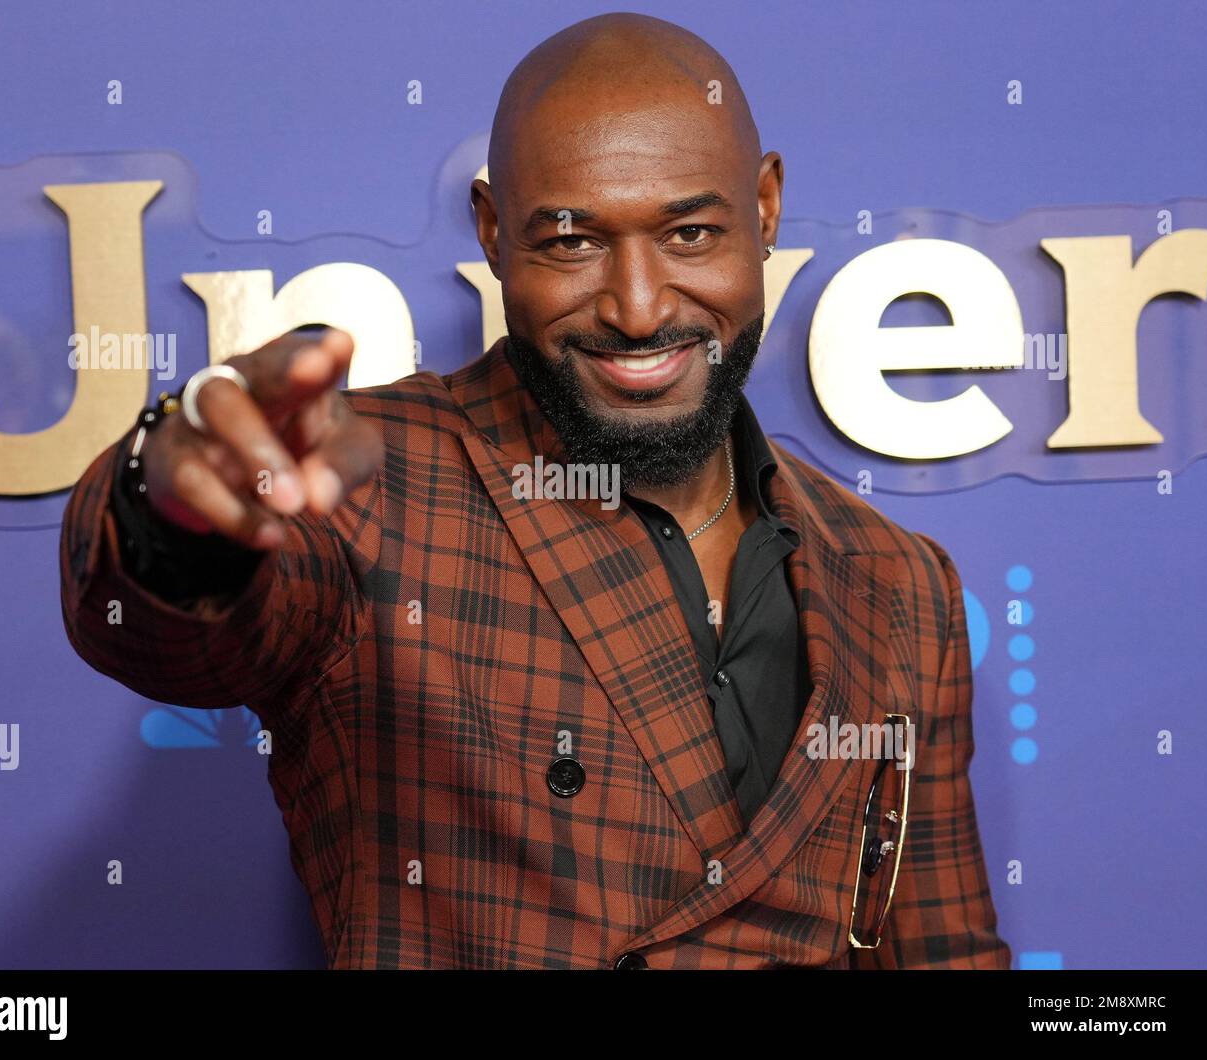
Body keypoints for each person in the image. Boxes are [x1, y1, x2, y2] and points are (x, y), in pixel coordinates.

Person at [60, 12, 1010, 969]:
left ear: (763, 209)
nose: (639, 308)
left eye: (690, 232)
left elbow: (946, 954)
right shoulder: (362, 488)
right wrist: (170, 513)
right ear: (492, 230)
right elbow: (171, 633)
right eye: (570, 243)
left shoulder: (902, 585)